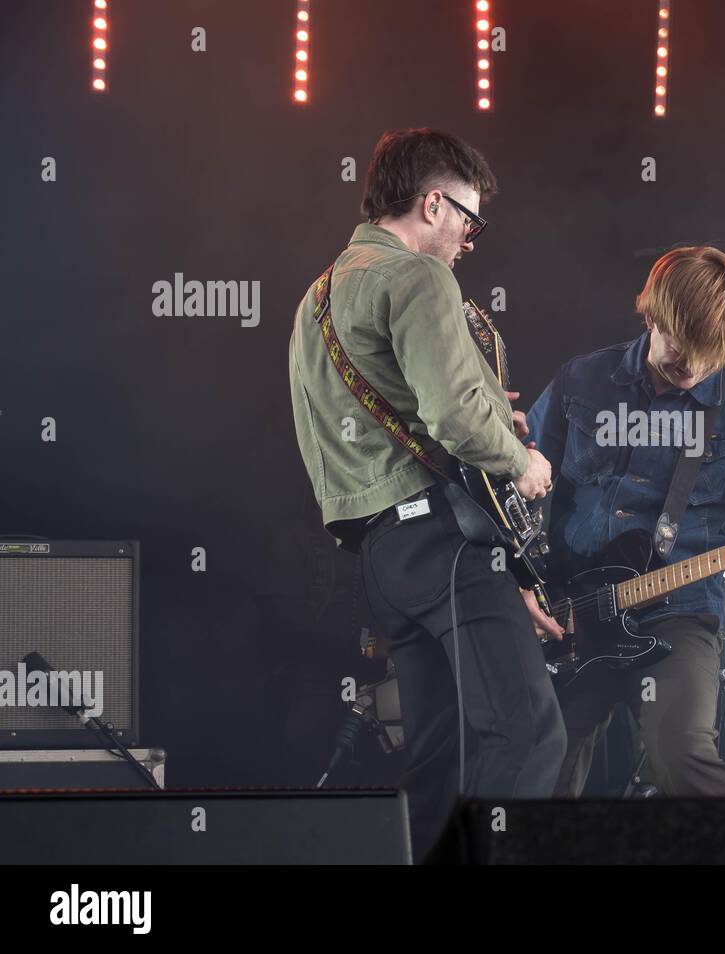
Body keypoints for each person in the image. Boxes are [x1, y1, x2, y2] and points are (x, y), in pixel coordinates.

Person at [288, 128, 564, 857]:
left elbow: (361, 437)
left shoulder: (316, 299)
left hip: (383, 557)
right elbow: (452, 420)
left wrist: (475, 413)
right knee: (530, 731)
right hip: (443, 543)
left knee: (440, 756)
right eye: (470, 220)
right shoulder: (418, 277)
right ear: (433, 203)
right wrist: (520, 461)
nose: (472, 240)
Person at [520, 246, 725, 797]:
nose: (693, 368)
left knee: (680, 757)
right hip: (572, 609)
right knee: (540, 759)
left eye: (709, 356)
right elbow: (519, 489)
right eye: (679, 348)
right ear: (650, 314)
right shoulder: (581, 380)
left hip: (679, 613)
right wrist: (520, 582)